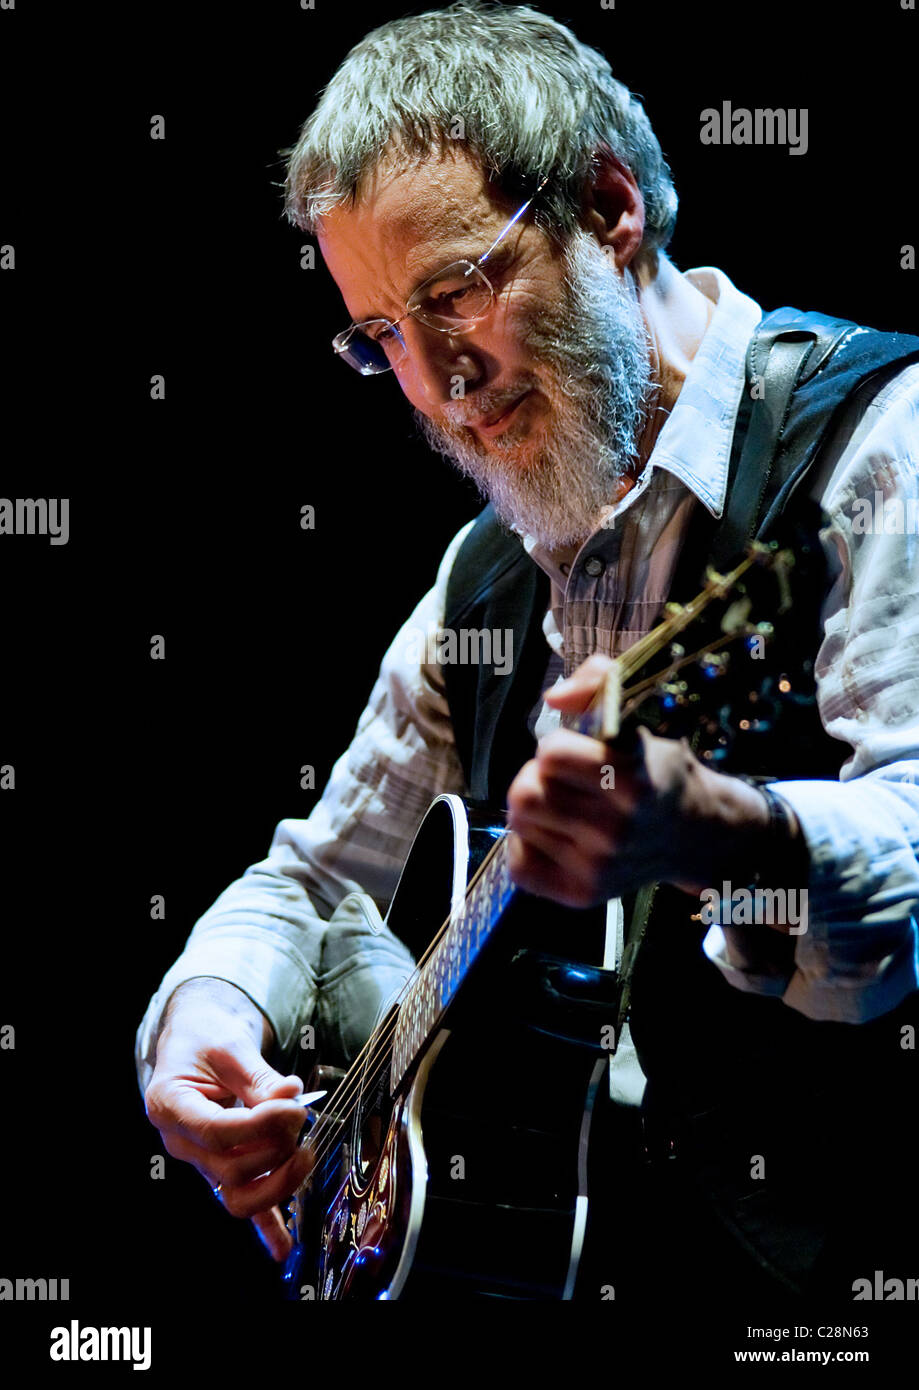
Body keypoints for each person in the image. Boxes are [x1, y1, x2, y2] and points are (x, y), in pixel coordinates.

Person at [136, 1, 919, 1299]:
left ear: (611, 210)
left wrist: (732, 831)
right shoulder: (487, 573)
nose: (438, 384)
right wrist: (208, 1013)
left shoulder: (882, 446)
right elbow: (326, 874)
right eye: (382, 335)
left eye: (453, 290)